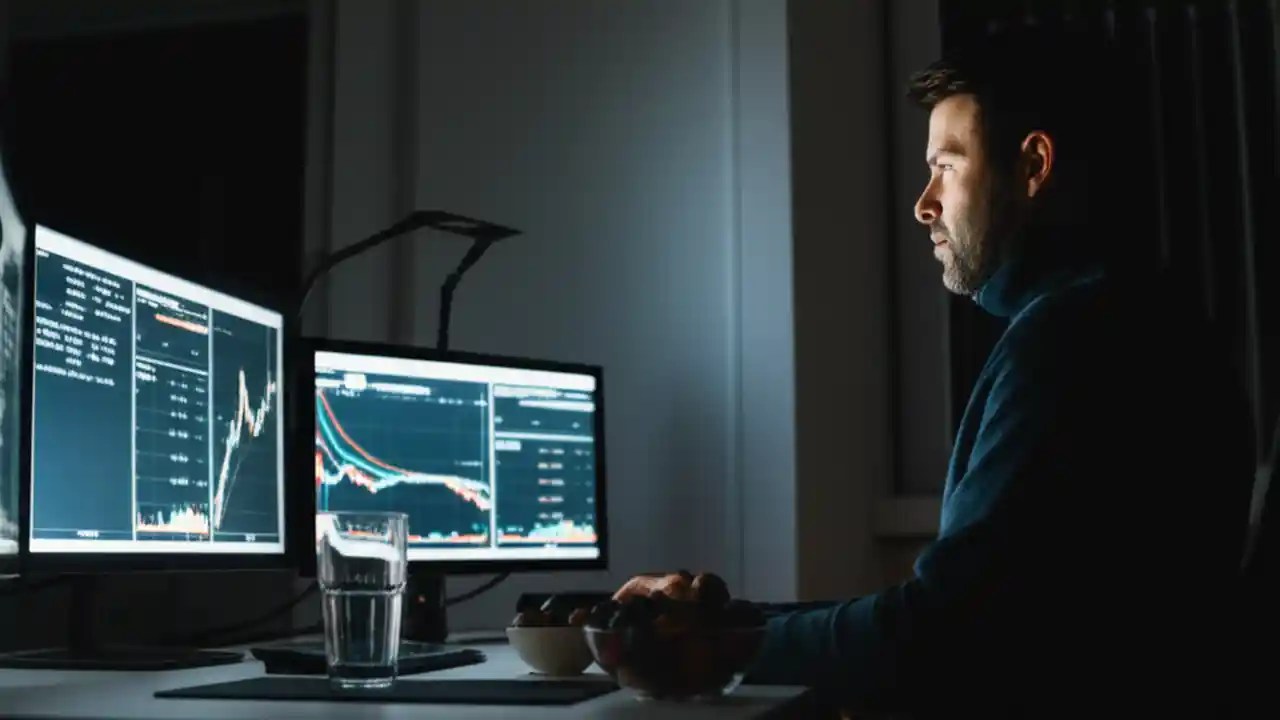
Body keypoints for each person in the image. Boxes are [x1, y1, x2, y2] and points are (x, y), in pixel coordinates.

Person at [615, 27, 1255, 715]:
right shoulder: (1140, 316)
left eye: (946, 166)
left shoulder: (1071, 340)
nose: (924, 203)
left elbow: (936, 634)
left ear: (1033, 165)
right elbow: (953, 607)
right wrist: (733, 623)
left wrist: (711, 646)